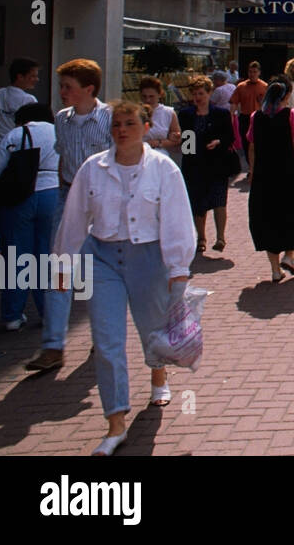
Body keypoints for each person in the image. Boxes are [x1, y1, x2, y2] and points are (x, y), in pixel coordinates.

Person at [53, 99, 195, 456]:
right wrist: (62, 264)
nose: (121, 131)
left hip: (148, 258)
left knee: (152, 329)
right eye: (116, 124)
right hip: (103, 258)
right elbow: (74, 219)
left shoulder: (163, 169)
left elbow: (178, 219)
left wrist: (178, 268)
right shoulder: (93, 168)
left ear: (145, 128)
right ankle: (115, 423)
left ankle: (158, 373)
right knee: (106, 341)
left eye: (129, 123)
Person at [26, 59, 112, 373]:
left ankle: (102, 337)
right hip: (67, 198)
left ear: (88, 89)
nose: (61, 92)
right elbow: (64, 154)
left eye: (68, 87)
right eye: (61, 86)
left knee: (100, 275)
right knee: (58, 272)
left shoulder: (110, 118)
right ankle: (53, 347)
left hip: (103, 202)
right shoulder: (60, 120)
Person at [0, 103, 59, 333]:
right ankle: (50, 313)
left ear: (22, 119)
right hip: (53, 193)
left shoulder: (16, 134)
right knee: (46, 257)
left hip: (20, 197)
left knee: (16, 256)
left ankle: (12, 315)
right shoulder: (59, 132)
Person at [247, 78, 294, 281]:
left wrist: (252, 171)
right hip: (288, 174)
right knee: (292, 215)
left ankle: (275, 269)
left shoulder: (255, 116)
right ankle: (289, 255)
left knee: (266, 218)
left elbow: (251, 147)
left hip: (263, 175)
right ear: (286, 96)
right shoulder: (292, 115)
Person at [176, 75, 237, 254]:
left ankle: (220, 237)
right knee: (198, 203)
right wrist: (188, 151)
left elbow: (230, 137)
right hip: (195, 164)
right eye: (194, 94)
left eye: (201, 93)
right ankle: (201, 238)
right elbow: (186, 144)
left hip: (217, 163)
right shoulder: (186, 115)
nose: (197, 97)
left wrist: (218, 142)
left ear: (209, 93)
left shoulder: (221, 113)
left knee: (219, 201)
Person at [0, 57, 40, 159]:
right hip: (13, 148)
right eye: (33, 76)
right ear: (20, 77)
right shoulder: (29, 100)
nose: (36, 79)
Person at [229, 61, 267, 170]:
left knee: (259, 144)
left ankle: (258, 167)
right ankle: (251, 166)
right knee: (246, 144)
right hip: (245, 118)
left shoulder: (264, 86)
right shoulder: (241, 87)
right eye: (250, 72)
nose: (252, 74)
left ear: (259, 73)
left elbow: (268, 105)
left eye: (255, 72)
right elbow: (234, 103)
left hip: (259, 118)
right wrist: (231, 117)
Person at [138, 77, 181, 156]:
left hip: (160, 154)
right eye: (144, 96)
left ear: (159, 95)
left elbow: (177, 140)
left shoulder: (168, 113)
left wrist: (157, 143)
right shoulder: (135, 112)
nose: (147, 100)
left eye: (151, 96)